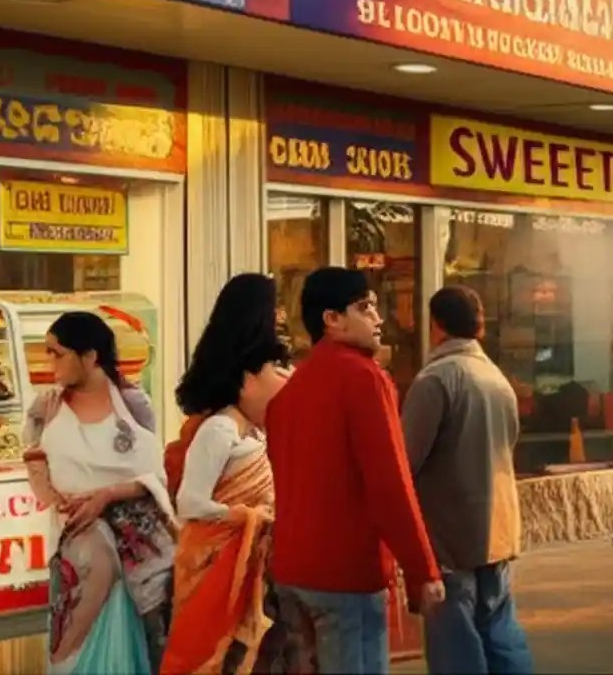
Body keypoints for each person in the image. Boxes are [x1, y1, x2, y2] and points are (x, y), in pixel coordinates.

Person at [264, 266, 444, 674]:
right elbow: (389, 484)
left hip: (293, 570)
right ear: (332, 319)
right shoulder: (365, 379)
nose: (378, 320)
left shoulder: (287, 395)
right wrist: (422, 570)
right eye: (365, 308)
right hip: (346, 573)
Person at [22, 311, 175, 675]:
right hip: (76, 547)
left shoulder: (134, 404)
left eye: (57, 353)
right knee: (74, 642)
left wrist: (106, 496)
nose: (50, 361)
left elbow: (155, 475)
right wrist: (59, 500)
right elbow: (33, 458)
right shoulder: (47, 407)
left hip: (133, 552)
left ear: (89, 357)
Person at [161, 274, 290, 674]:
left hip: (253, 560)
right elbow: (190, 502)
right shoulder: (219, 429)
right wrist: (247, 516)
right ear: (248, 380)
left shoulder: (251, 429)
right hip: (216, 562)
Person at [401, 286, 533, 674]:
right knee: (500, 633)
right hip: (498, 530)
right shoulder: (496, 378)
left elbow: (405, 460)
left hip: (449, 535)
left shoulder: (436, 380)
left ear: (436, 326)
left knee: (455, 644)